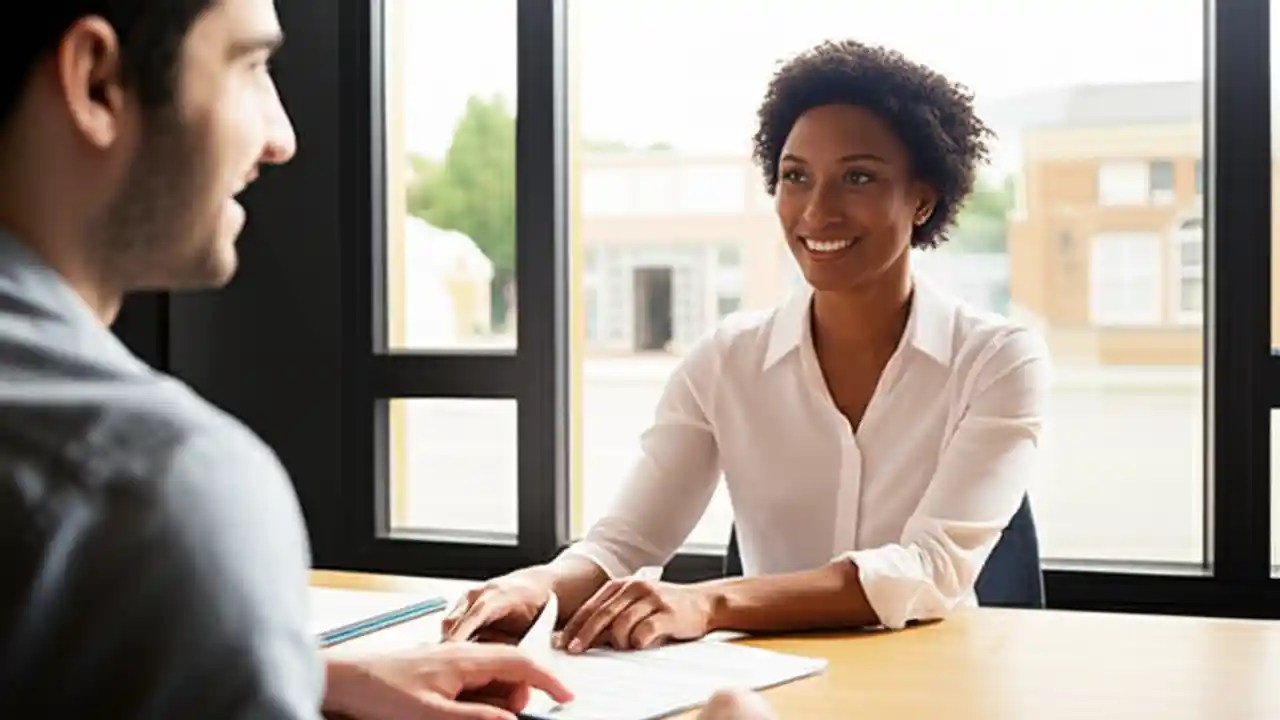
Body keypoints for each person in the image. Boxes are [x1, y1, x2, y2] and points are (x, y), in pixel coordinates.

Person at [0, 2, 576, 718]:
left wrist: (306, 674)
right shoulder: (161, 486)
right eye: (249, 66)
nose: (282, 138)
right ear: (97, 85)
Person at [444, 39, 1051, 656]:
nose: (818, 210)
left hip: (935, 681)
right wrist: (533, 586)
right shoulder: (725, 362)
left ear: (923, 197)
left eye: (858, 177)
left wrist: (707, 601)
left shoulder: (997, 359)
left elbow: (930, 569)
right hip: (771, 682)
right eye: (795, 177)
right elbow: (623, 547)